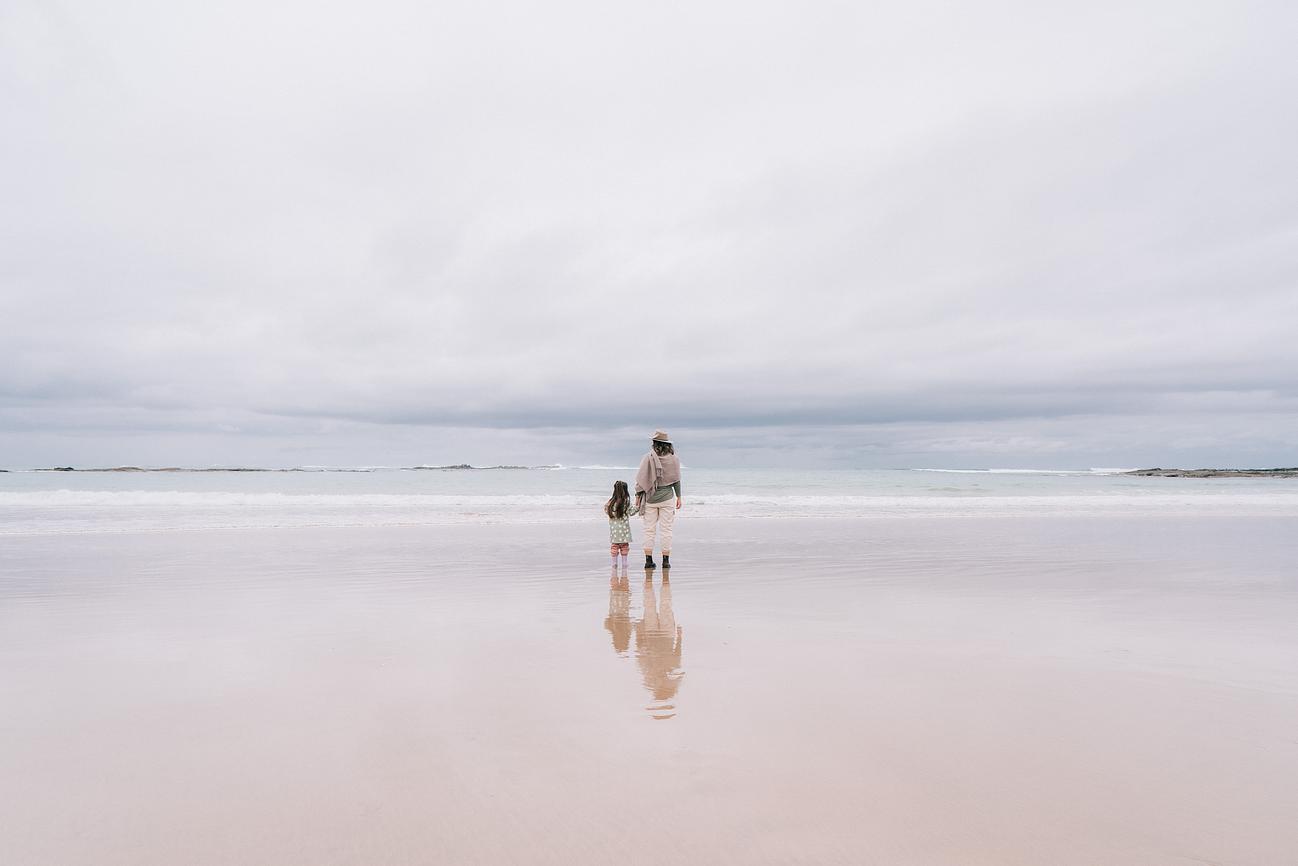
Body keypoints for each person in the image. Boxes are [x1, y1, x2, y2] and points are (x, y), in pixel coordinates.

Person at [634, 430, 682, 569]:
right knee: (666, 530)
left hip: (650, 499)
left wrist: (637, 496)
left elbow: (640, 480)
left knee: (649, 530)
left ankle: (648, 561)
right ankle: (666, 561)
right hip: (667, 499)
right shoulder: (674, 459)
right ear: (668, 444)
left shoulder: (647, 458)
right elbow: (676, 481)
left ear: (654, 443)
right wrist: (679, 497)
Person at [605, 480, 636, 570]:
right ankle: (624, 563)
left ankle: (614, 564)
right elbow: (632, 512)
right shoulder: (625, 503)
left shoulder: (610, 503)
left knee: (614, 547)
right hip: (624, 531)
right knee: (624, 547)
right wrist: (638, 506)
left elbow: (606, 510)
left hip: (614, 532)